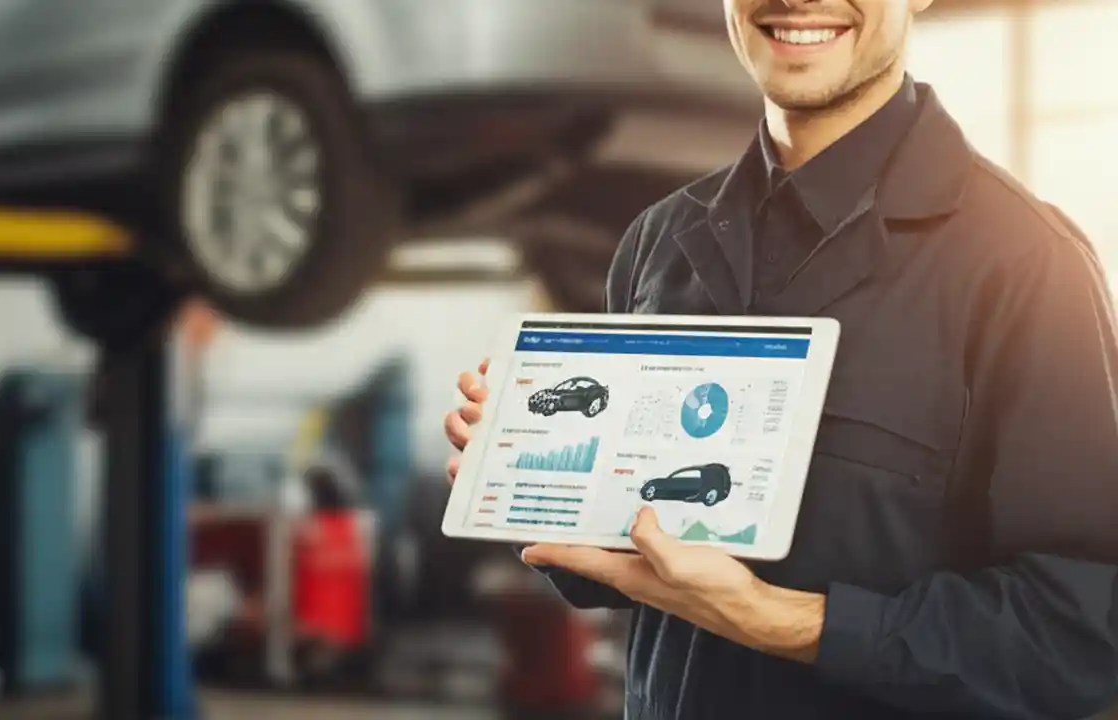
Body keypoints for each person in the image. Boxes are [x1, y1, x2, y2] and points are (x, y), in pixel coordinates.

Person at [443, 0, 1118, 718]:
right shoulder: (658, 243)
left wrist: (779, 619)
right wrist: (534, 479)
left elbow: (1077, 634)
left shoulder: (1025, 263)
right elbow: (635, 565)